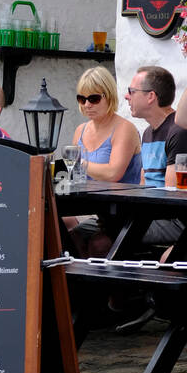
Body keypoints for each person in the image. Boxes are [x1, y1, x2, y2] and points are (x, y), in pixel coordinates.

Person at [62, 67, 142, 262]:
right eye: (82, 99)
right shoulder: (81, 130)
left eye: (94, 98)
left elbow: (114, 172)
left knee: (99, 244)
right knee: (68, 237)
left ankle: (108, 292)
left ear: (109, 96)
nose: (87, 104)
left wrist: (80, 163)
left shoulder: (124, 128)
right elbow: (72, 174)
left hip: (126, 213)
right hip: (99, 213)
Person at [126, 65, 187, 188]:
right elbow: (143, 184)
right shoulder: (148, 132)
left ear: (151, 96)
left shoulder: (180, 133)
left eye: (131, 91)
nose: (126, 96)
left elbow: (172, 194)